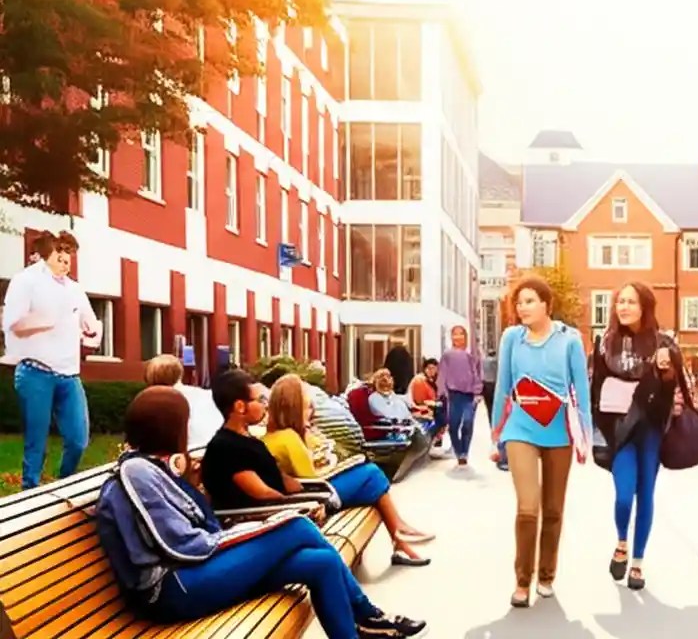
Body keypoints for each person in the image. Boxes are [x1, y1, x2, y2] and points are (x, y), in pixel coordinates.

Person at [95, 386, 426, 639]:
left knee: (321, 564)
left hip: (195, 574)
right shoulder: (138, 472)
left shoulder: (157, 469)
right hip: (171, 590)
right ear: (168, 427)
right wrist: (260, 530)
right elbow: (183, 546)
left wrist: (191, 484)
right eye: (184, 423)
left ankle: (361, 628)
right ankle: (369, 614)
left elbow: (197, 528)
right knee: (295, 527)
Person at [491, 276, 592, 607]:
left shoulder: (570, 341)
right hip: (520, 427)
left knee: (553, 509)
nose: (522, 307)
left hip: (559, 429)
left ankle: (547, 575)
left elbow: (582, 393)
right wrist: (496, 435)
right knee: (528, 507)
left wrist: (586, 438)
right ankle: (522, 582)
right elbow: (503, 388)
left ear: (547, 305)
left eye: (530, 301)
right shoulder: (511, 339)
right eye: (519, 302)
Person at [264, 374, 434, 563]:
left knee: (372, 484)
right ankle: (399, 533)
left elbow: (323, 451)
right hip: (314, 497)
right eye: (307, 407)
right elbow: (312, 479)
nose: (311, 412)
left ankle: (399, 539)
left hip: (313, 492)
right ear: (294, 409)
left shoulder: (289, 434)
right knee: (372, 474)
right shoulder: (289, 439)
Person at [591, 282, 693, 591]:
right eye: (620, 301)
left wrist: (666, 372)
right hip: (619, 430)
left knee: (645, 492)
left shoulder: (663, 343)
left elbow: (676, 390)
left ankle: (637, 561)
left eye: (631, 302)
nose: (623, 307)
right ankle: (621, 541)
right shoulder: (604, 343)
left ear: (644, 307)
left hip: (650, 428)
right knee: (624, 495)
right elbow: (594, 387)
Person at [1, 230, 101, 490]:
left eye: (70, 256)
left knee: (78, 439)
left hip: (69, 375)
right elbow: (11, 323)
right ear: (46, 254)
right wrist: (41, 322)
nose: (66, 262)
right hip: (35, 372)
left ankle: (63, 484)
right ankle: (29, 492)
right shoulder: (26, 281)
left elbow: (90, 324)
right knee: (37, 441)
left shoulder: (75, 289)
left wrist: (92, 333)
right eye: (60, 255)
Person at [143, 354, 223, 450]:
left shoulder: (156, 402)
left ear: (150, 378)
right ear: (180, 374)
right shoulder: (208, 394)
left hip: (187, 455)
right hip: (218, 449)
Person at [439, 326, 483, 466]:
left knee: (468, 424)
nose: (458, 337)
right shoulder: (447, 355)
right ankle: (458, 452)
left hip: (469, 396)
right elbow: (442, 375)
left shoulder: (472, 354)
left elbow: (478, 374)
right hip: (453, 395)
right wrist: (442, 393)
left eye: (461, 334)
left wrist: (478, 392)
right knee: (453, 426)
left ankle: (464, 453)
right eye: (455, 334)